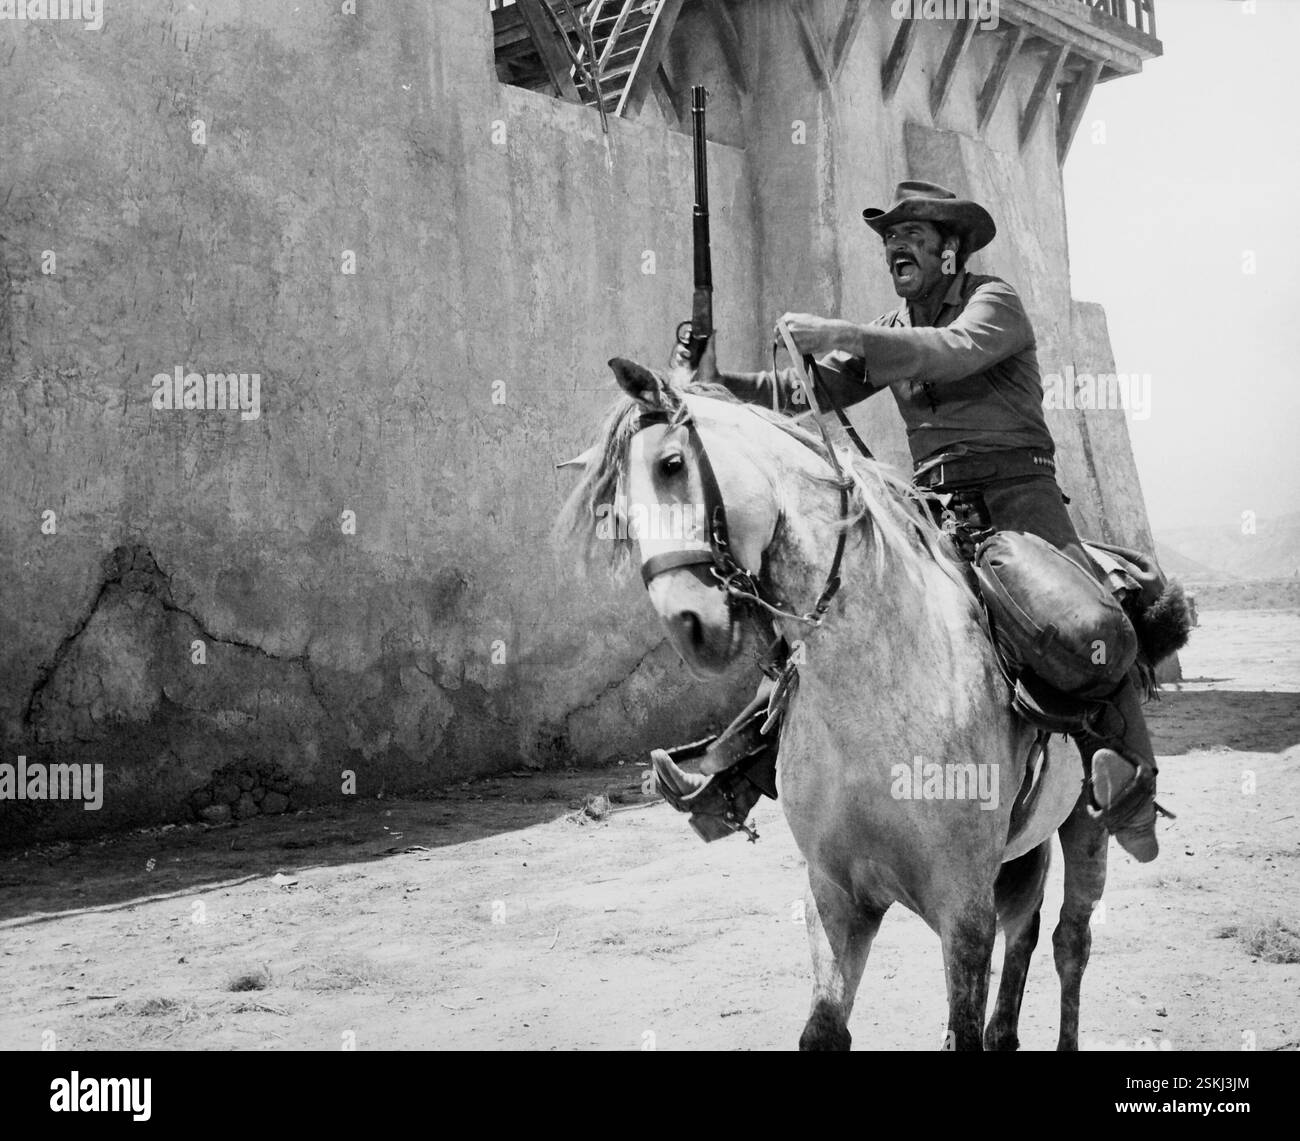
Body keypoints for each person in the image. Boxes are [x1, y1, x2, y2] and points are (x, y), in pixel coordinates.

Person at [657, 181, 1163, 861]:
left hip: (1021, 503)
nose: (896, 245)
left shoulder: (994, 302)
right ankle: (739, 775)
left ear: (951, 250)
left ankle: (1129, 784)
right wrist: (719, 385)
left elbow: (947, 351)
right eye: (890, 237)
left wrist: (840, 332)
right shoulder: (890, 330)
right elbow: (805, 391)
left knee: (1083, 626)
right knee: (826, 616)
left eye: (913, 234)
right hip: (936, 514)